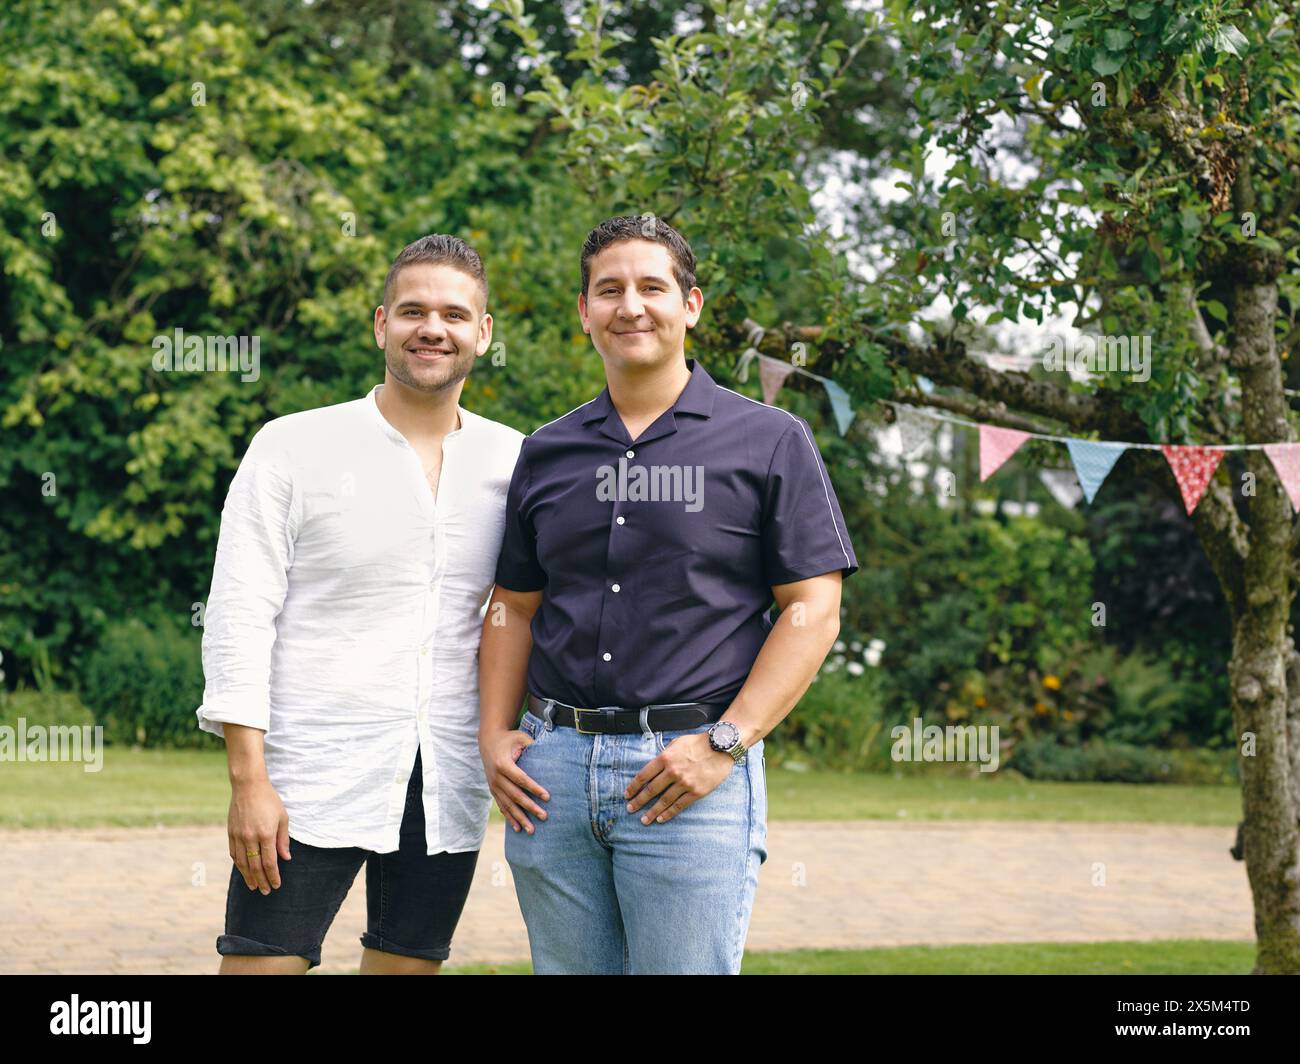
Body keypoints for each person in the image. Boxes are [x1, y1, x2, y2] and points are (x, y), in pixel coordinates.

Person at [478, 215, 858, 974]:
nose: (631, 306)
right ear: (584, 311)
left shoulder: (770, 440)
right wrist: (493, 736)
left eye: (652, 287)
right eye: (608, 289)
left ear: (692, 305)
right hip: (549, 781)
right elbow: (512, 607)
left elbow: (812, 610)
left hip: (691, 774)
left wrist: (725, 744)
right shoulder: (547, 451)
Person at [197, 234, 522, 974]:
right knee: (260, 966)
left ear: (483, 332)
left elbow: (525, 612)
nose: (432, 328)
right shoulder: (293, 447)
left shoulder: (517, 462)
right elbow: (239, 615)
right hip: (309, 775)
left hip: (445, 783)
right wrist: (249, 781)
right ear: (381, 324)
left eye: (453, 313)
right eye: (412, 311)